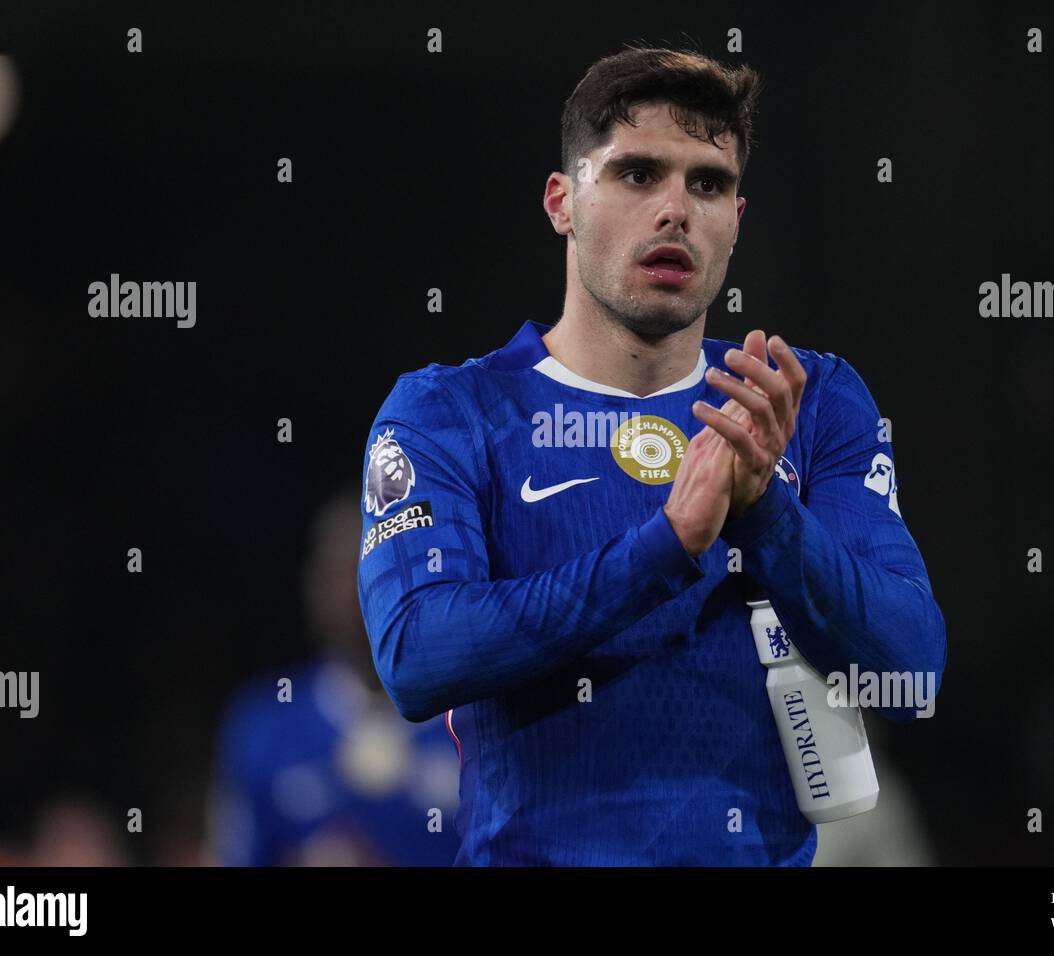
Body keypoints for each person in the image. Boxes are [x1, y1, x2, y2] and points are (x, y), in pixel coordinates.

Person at [357, 45, 946, 865]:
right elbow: (418, 656)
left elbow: (912, 672)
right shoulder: (450, 414)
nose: (675, 209)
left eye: (708, 183)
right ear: (563, 202)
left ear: (736, 220)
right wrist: (664, 548)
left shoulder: (804, 399)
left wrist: (767, 515)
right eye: (637, 174)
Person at [210, 492, 461, 866]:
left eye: (364, 571)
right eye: (332, 573)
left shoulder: (470, 717)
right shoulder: (267, 723)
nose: (346, 593)